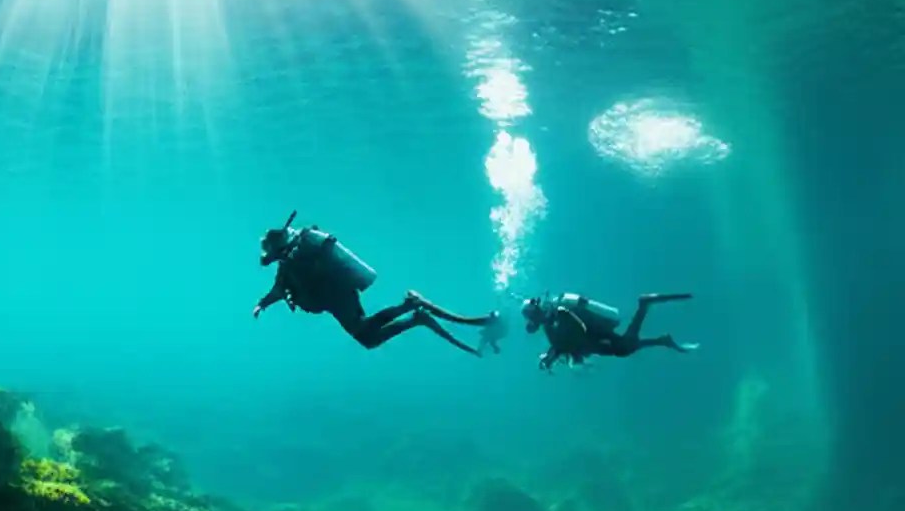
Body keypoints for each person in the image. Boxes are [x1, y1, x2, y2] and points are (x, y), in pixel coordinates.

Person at [253, 211, 499, 355]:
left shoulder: (302, 250)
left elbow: (288, 283)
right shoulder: (288, 263)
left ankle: (413, 311)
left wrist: (270, 299)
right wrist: (262, 304)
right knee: (366, 336)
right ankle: (413, 312)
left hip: (339, 296)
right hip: (333, 300)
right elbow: (279, 288)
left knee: (365, 335)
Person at [521, 292, 699, 371]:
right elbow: (560, 344)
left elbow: (577, 329)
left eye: (533, 317)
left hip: (595, 334)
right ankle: (662, 340)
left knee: (624, 348)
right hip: (593, 341)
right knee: (624, 349)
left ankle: (643, 305)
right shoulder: (550, 324)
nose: (534, 322)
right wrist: (550, 357)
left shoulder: (559, 313)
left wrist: (560, 352)